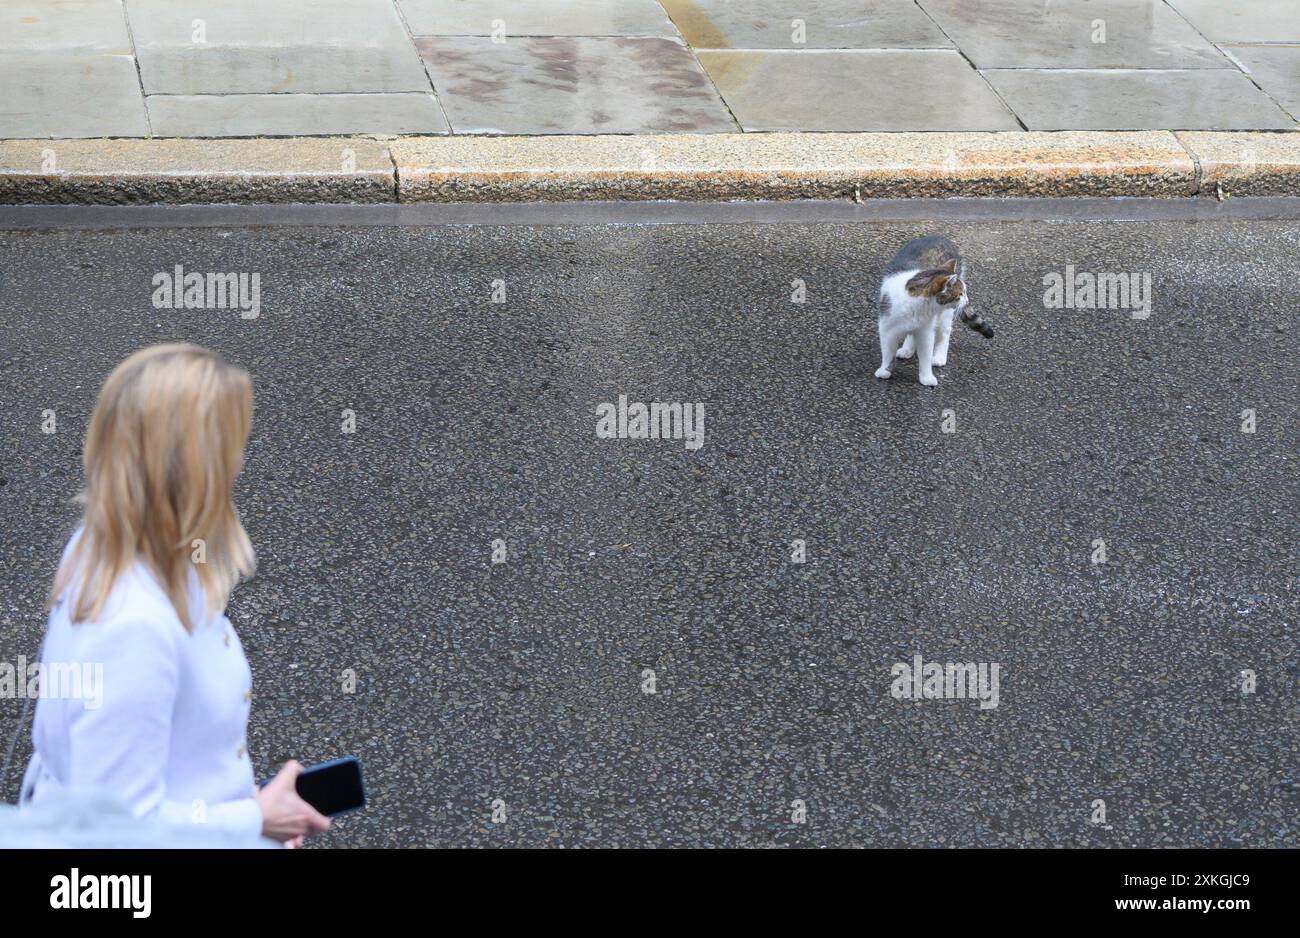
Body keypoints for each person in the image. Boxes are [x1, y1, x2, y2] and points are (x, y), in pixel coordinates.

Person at [19, 344, 329, 847]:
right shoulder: (134, 627)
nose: (242, 460)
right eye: (234, 443)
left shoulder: (101, 545)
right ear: (196, 468)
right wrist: (254, 820)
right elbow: (113, 829)